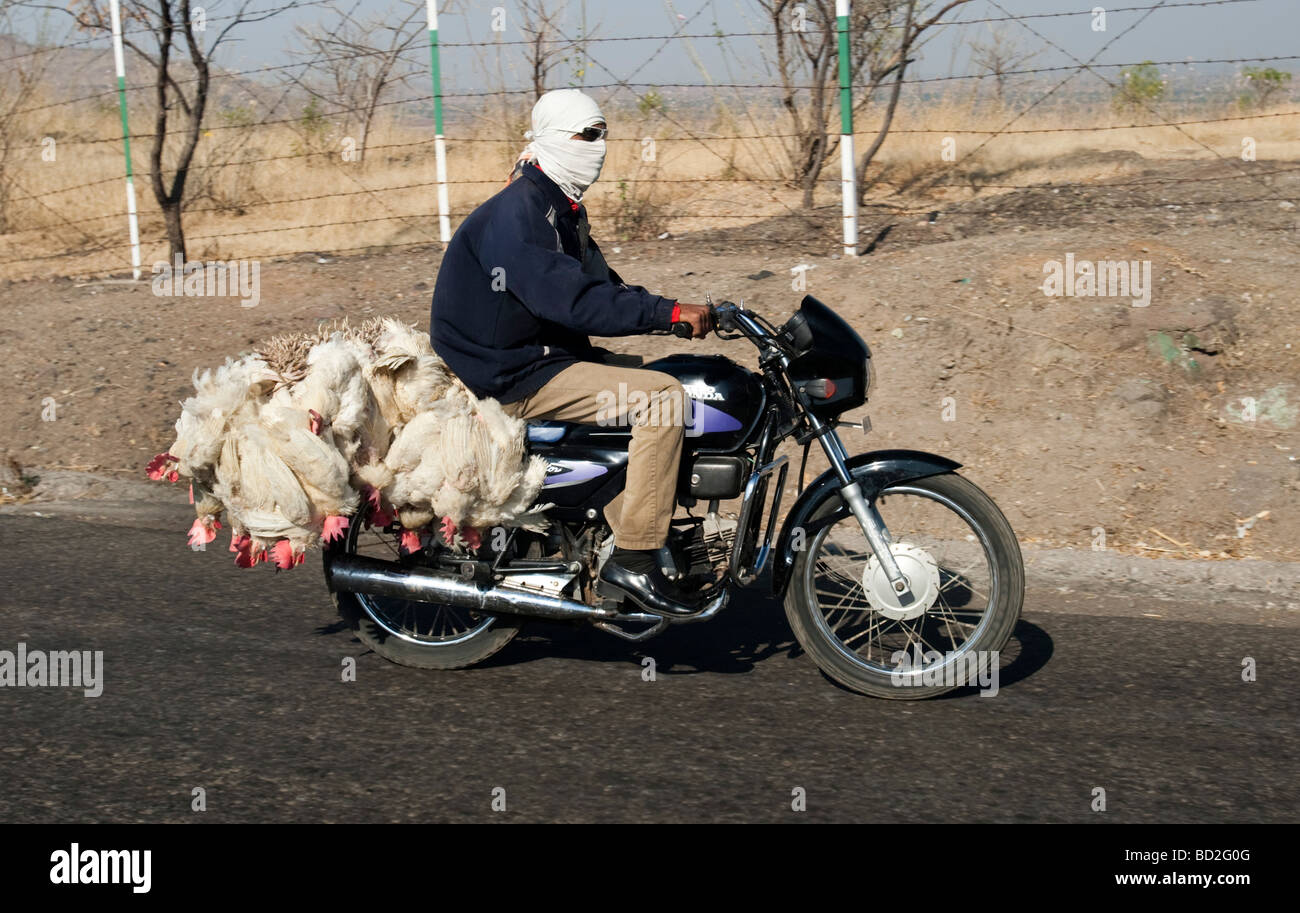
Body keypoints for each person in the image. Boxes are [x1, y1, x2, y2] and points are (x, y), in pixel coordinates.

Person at [430, 88, 713, 617]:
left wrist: (686, 315)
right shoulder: (521, 212)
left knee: (658, 377)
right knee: (662, 400)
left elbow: (604, 286)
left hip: (538, 357)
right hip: (507, 374)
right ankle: (635, 558)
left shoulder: (560, 207)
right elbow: (573, 300)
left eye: (603, 134)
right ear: (554, 139)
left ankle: (610, 524)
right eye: (587, 134)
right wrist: (668, 312)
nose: (599, 146)